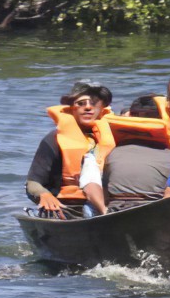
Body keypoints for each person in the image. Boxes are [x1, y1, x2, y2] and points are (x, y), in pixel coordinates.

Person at [25, 81, 111, 217]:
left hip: (105, 205)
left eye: (94, 103)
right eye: (81, 103)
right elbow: (32, 183)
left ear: (102, 109)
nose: (88, 108)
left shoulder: (114, 138)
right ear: (71, 108)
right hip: (65, 207)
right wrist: (43, 194)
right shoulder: (54, 139)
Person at [100, 95, 170, 210]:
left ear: (130, 118)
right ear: (160, 119)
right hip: (153, 209)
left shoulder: (111, 154)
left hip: (116, 209)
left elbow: (104, 190)